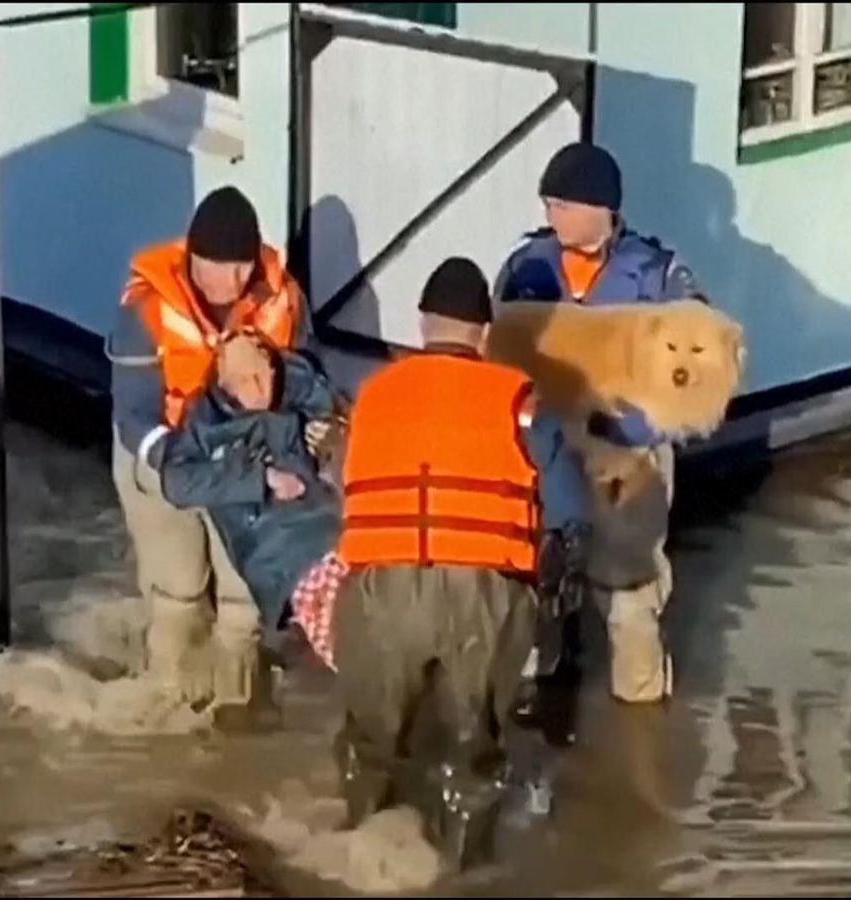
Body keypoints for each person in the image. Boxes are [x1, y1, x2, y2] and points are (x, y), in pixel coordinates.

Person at [330, 257, 542, 870]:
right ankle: (466, 871)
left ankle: (360, 857)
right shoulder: (518, 398)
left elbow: (348, 483)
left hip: (381, 586)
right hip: (482, 586)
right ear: (483, 332)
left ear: (423, 325)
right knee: (474, 748)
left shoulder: (372, 396)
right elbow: (548, 485)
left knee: (370, 742)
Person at [493, 141, 707, 705]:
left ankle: (640, 720)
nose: (550, 215)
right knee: (536, 580)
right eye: (547, 203)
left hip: (627, 455)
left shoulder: (660, 277)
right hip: (545, 449)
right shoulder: (524, 268)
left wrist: (636, 425)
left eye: (561, 204)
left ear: (600, 208)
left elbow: (693, 366)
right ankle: (533, 699)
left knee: (629, 591)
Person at [105, 186, 311, 713]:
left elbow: (307, 381)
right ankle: (170, 711)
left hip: (247, 460)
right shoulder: (145, 314)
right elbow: (135, 419)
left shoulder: (283, 299)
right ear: (194, 258)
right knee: (178, 598)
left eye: (245, 266)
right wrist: (177, 468)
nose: (236, 281)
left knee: (244, 608)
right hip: (164, 462)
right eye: (222, 267)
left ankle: (235, 717)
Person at [155, 333, 345, 659]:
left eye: (263, 378)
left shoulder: (298, 384)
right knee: (334, 628)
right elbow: (176, 483)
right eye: (246, 383)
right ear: (227, 385)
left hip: (334, 532)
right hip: (277, 553)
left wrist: (331, 435)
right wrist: (262, 479)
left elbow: (340, 421)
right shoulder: (205, 421)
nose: (259, 390)